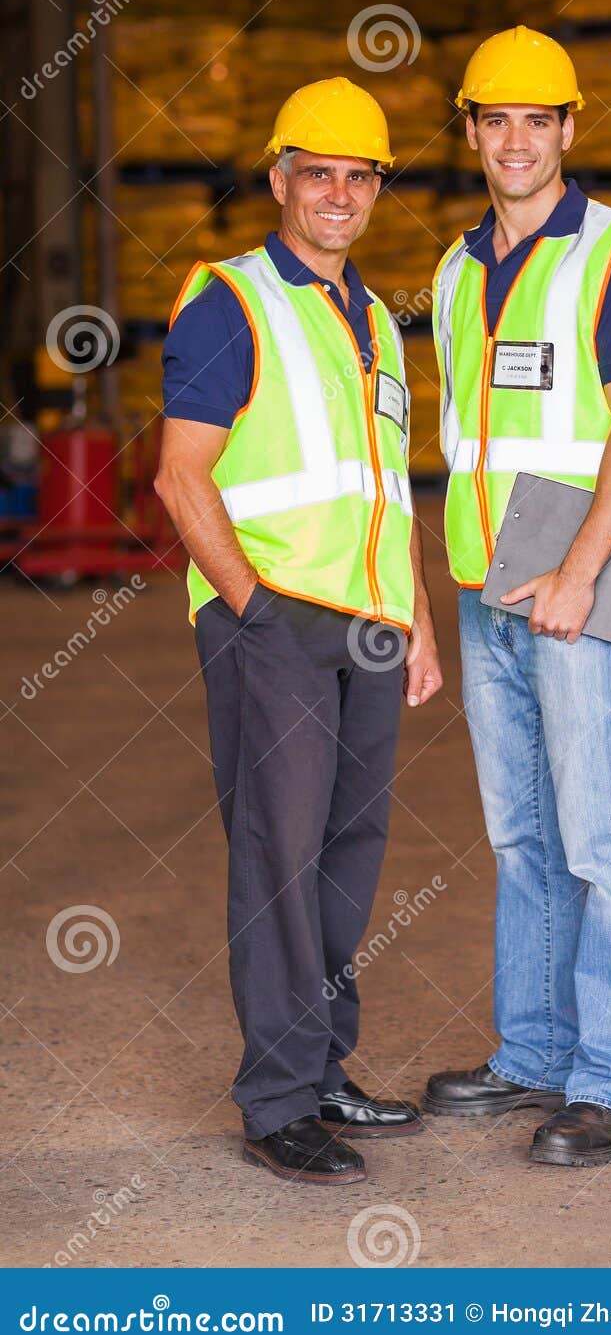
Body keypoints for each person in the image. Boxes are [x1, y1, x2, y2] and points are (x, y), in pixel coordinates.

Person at [156, 77, 442, 1184]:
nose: (335, 192)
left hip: (368, 626)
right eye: (314, 172)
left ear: (375, 190)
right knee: (278, 856)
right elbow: (181, 478)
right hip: (271, 618)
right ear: (279, 180)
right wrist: (251, 607)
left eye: (356, 175)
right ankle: (277, 1098)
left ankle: (321, 1065)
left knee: (345, 853)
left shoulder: (372, 318)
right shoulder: (231, 299)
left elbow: (386, 488)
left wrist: (415, 618)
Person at [423, 27, 611, 1168]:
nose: (515, 139)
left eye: (539, 118)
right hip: (489, 579)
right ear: (469, 130)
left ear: (570, 128)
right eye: (495, 118)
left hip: (585, 573)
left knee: (600, 830)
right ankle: (534, 1050)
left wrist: (577, 572)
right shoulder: (453, 266)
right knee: (520, 829)